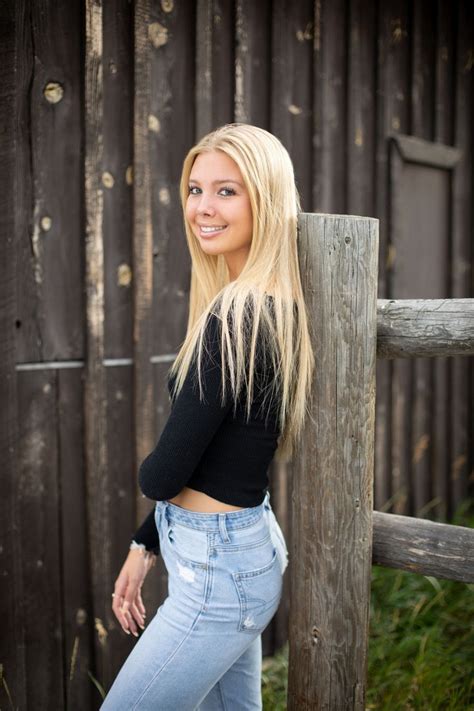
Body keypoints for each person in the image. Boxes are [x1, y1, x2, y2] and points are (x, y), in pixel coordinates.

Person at [100, 123, 315, 710]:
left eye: (227, 190)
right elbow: (223, 459)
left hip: (220, 574)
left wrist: (149, 484)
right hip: (229, 554)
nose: (203, 208)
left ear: (265, 200)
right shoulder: (271, 302)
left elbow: (163, 475)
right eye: (196, 189)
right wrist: (147, 542)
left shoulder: (238, 316)